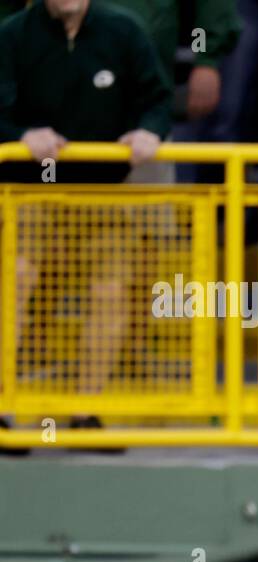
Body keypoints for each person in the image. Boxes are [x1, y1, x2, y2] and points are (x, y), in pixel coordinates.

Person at [0, 0, 170, 435]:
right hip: (30, 190)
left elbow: (158, 99)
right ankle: (5, 407)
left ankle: (85, 409)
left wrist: (150, 129)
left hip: (104, 192)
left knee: (112, 289)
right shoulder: (13, 35)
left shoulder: (125, 31)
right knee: (16, 275)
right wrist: (20, 135)